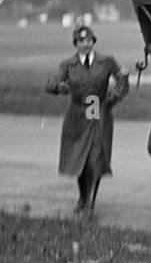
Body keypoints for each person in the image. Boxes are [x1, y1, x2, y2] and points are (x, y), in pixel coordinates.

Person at [45, 24, 130, 215]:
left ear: (93, 42)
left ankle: (91, 200)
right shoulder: (68, 65)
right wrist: (60, 87)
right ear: (76, 44)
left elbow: (122, 82)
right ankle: (83, 197)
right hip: (77, 116)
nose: (86, 44)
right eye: (81, 41)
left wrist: (112, 98)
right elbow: (50, 85)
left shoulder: (106, 61)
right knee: (79, 161)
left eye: (89, 40)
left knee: (96, 159)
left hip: (98, 113)